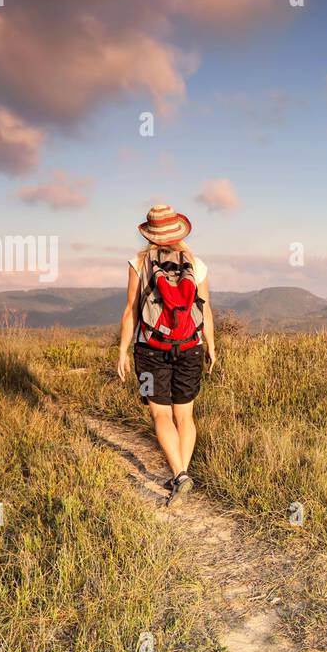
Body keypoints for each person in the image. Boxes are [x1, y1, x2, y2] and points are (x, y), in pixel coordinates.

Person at [115, 203, 216, 506]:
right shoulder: (196, 264)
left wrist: (122, 351)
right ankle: (180, 475)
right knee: (185, 415)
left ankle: (180, 476)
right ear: (177, 230)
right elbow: (206, 309)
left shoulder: (138, 262)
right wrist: (211, 345)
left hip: (148, 352)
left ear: (149, 233)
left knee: (159, 413)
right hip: (191, 348)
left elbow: (131, 310)